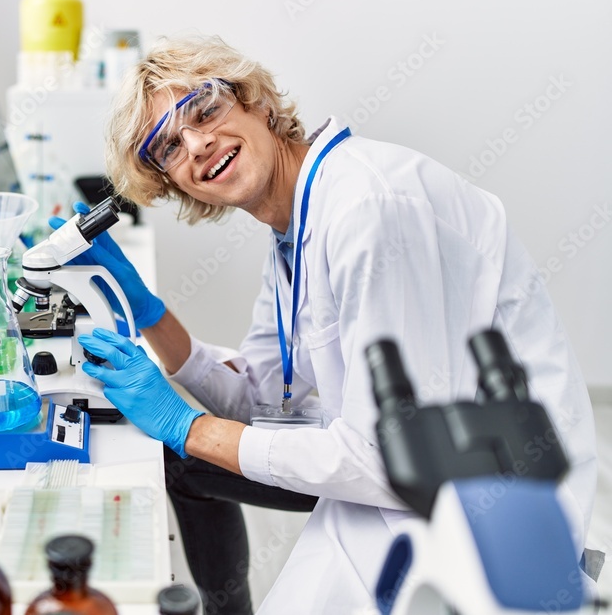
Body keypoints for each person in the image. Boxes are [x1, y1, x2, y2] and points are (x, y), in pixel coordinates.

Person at [53, 35, 598, 614]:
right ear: (171, 182)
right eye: (167, 148)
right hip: (395, 476)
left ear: (257, 102)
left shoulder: (367, 209)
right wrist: (147, 310)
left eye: (205, 108)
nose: (197, 143)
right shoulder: (293, 223)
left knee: (190, 449)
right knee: (184, 462)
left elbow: (386, 460)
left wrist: (183, 423)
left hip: (491, 508)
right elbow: (259, 397)